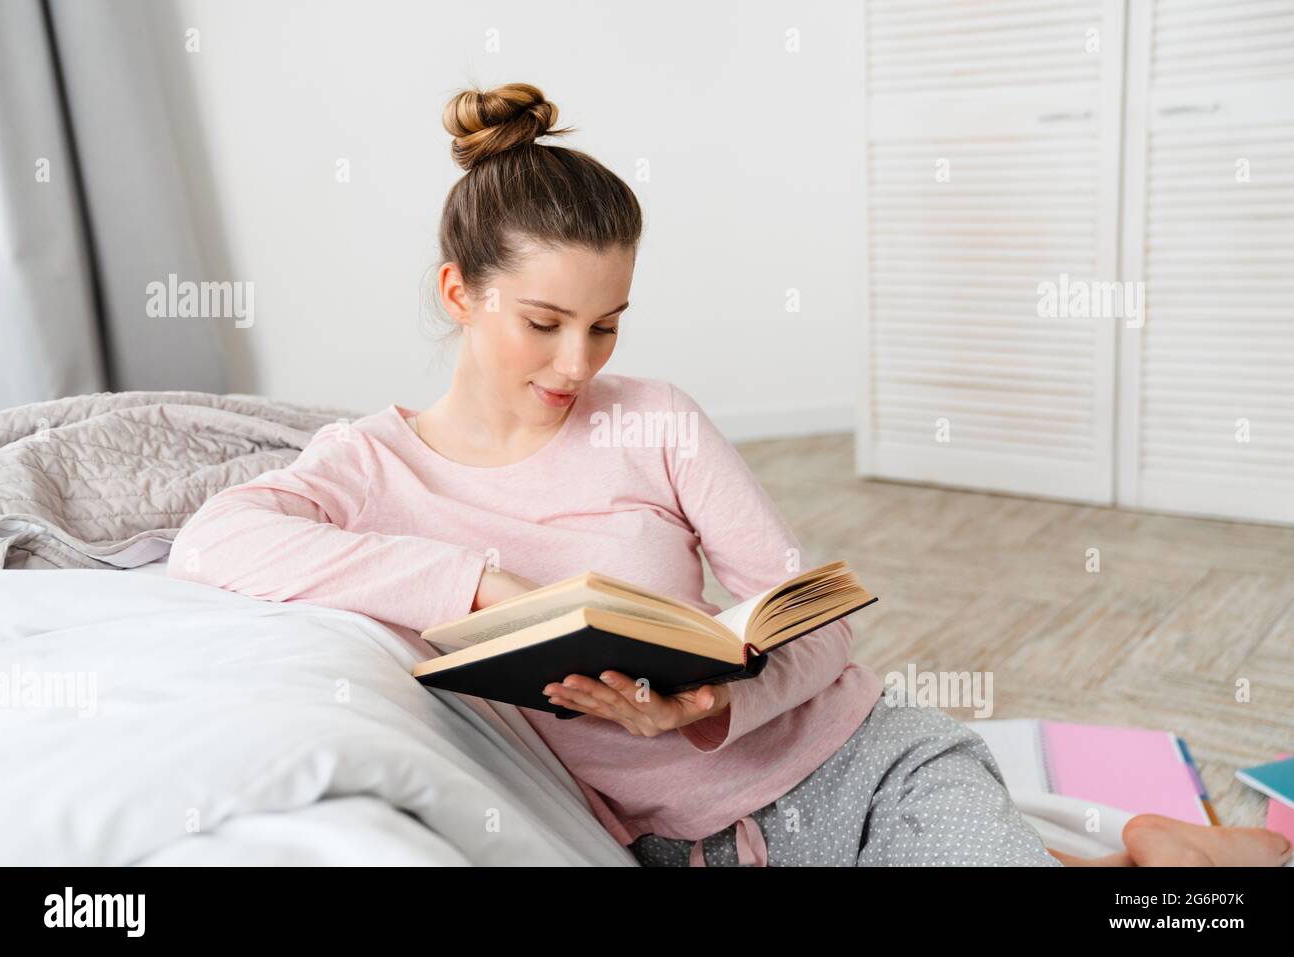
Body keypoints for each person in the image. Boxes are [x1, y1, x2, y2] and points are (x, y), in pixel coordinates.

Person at [167, 82, 1292, 868]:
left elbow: (814, 615)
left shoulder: (654, 420)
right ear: (458, 292)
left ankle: (1152, 846)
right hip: (677, 846)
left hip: (858, 761)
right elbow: (211, 543)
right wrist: (484, 591)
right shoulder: (368, 465)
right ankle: (1153, 852)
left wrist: (719, 701)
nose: (577, 364)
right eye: (545, 322)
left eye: (605, 325)